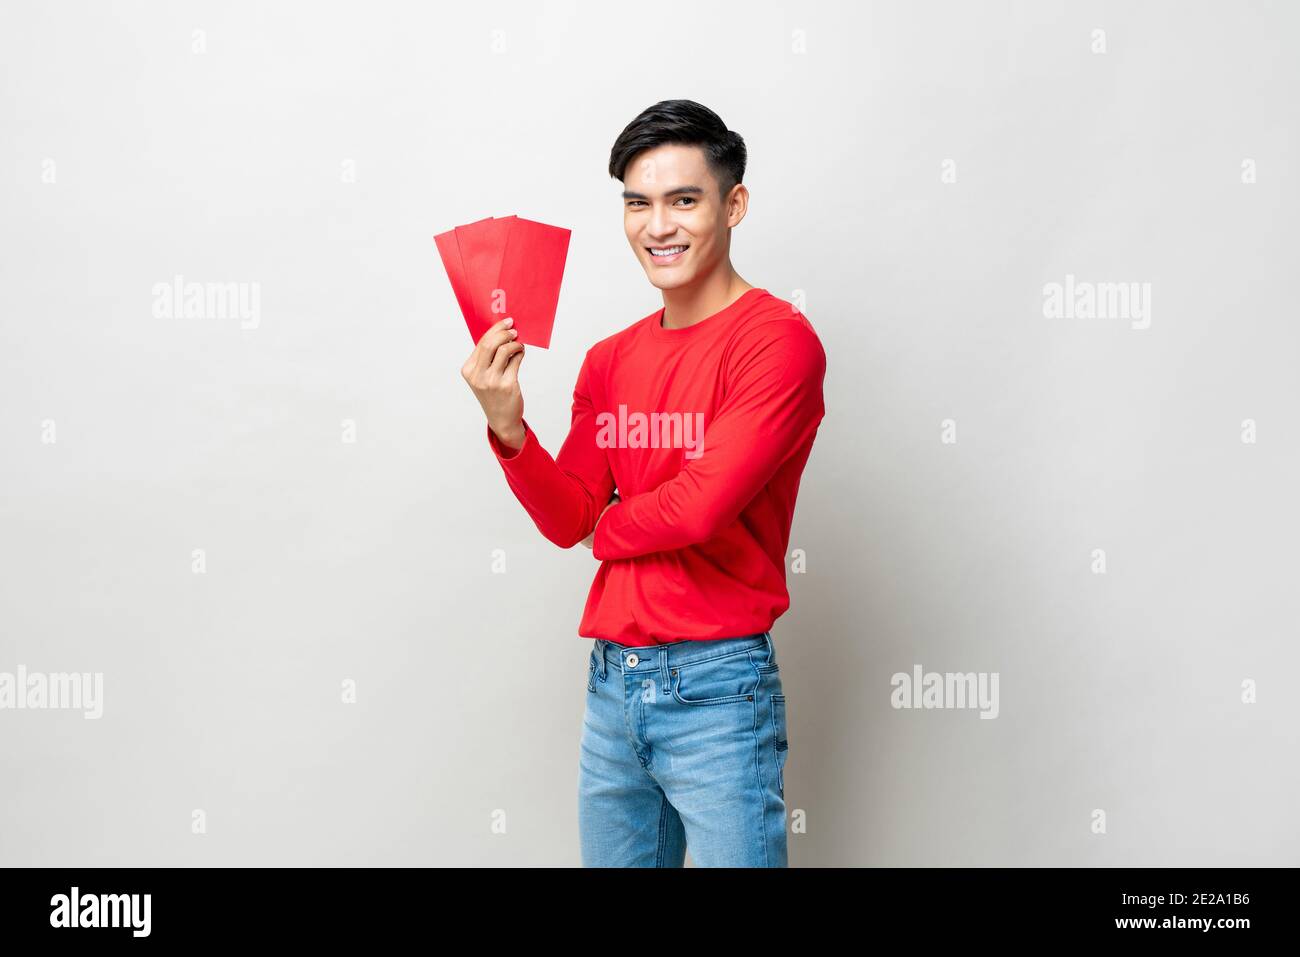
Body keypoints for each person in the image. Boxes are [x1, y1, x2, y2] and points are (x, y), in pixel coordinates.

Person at [460, 99, 826, 867]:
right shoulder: (608, 359)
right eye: (638, 203)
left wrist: (610, 526)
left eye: (683, 200)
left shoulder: (778, 342)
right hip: (612, 689)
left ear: (734, 204)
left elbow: (702, 507)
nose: (658, 225)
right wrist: (509, 428)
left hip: (719, 689)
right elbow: (569, 515)